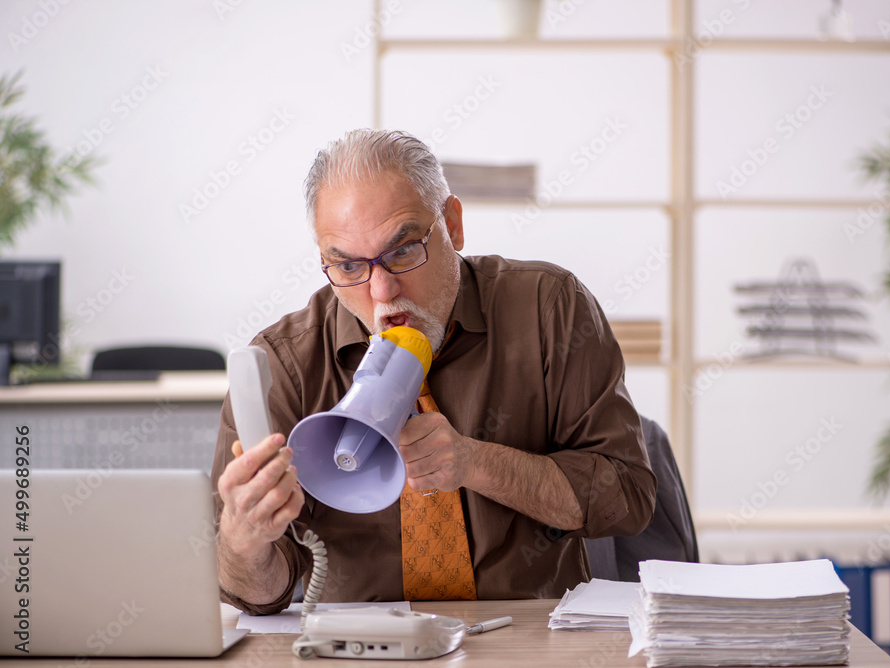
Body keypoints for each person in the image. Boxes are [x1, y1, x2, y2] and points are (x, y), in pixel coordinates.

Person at [211, 129, 656, 614]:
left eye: (402, 251)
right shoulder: (284, 363)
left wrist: (474, 462)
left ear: (453, 225)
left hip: (531, 638)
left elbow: (628, 497)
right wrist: (244, 540)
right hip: (362, 649)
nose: (381, 292)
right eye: (348, 266)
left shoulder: (549, 308)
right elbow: (256, 596)